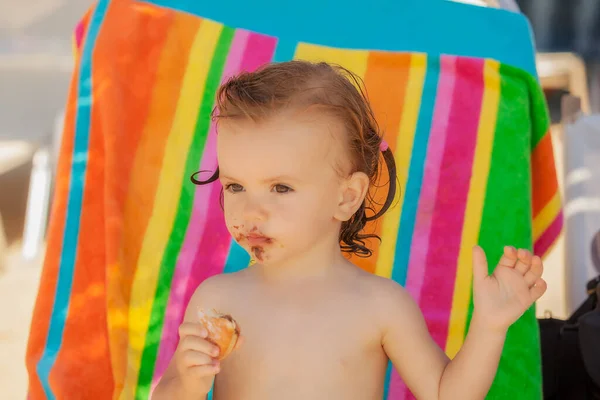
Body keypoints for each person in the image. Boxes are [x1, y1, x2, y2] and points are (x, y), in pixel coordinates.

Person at [152, 60, 547, 400]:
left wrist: (490, 326)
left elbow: (447, 393)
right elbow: (165, 392)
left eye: (281, 188)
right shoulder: (219, 298)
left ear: (347, 196)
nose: (250, 209)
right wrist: (186, 383)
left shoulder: (380, 306)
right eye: (235, 186)